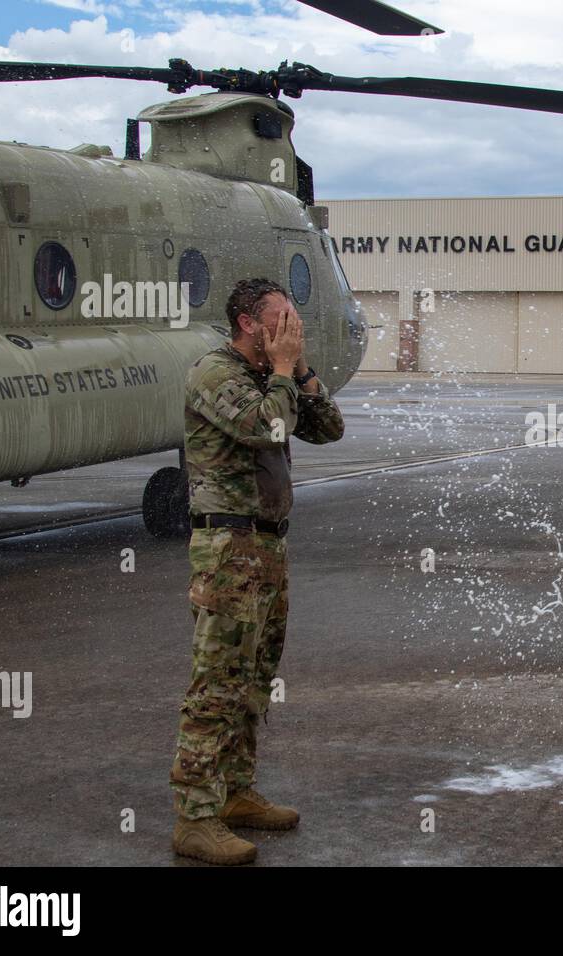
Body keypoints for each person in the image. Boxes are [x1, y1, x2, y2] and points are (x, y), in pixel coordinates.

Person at [169, 278, 345, 865]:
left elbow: (329, 427)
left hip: (267, 545)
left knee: (253, 678)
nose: (293, 326)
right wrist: (283, 370)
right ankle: (194, 816)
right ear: (249, 323)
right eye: (283, 317)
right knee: (217, 682)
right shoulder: (215, 374)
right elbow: (268, 427)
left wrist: (300, 371)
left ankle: (235, 793)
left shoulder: (274, 373)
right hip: (228, 545)